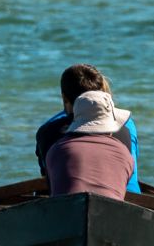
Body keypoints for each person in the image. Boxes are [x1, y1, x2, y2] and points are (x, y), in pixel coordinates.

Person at [35, 63, 139, 195]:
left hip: (67, 203)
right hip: (127, 197)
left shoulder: (48, 131)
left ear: (65, 98)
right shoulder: (126, 125)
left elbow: (49, 179)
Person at [42, 90, 135, 199]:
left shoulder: (56, 150)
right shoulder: (124, 153)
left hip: (67, 211)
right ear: (110, 126)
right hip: (109, 212)